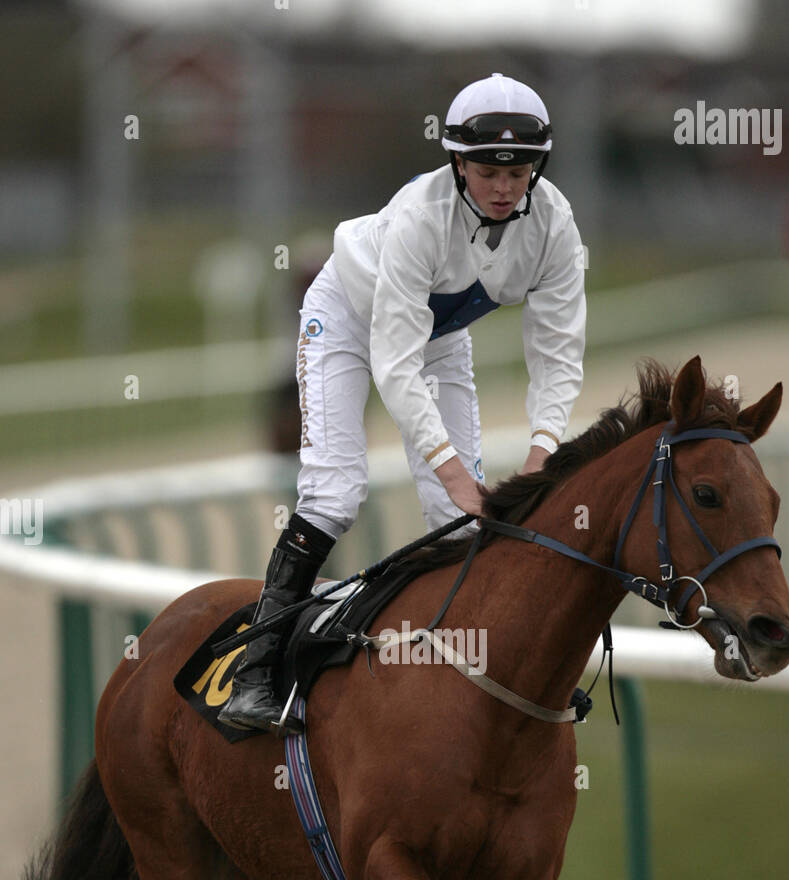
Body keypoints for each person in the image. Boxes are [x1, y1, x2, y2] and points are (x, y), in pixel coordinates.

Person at [219, 72, 587, 734]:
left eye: (520, 170)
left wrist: (540, 460)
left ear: (539, 166)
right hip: (347, 322)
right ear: (457, 161)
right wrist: (455, 470)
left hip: (437, 336)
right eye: (487, 170)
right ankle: (255, 672)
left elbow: (558, 356)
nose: (504, 187)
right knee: (337, 491)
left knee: (461, 519)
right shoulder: (422, 217)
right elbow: (393, 364)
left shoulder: (555, 225)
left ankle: (479, 671)